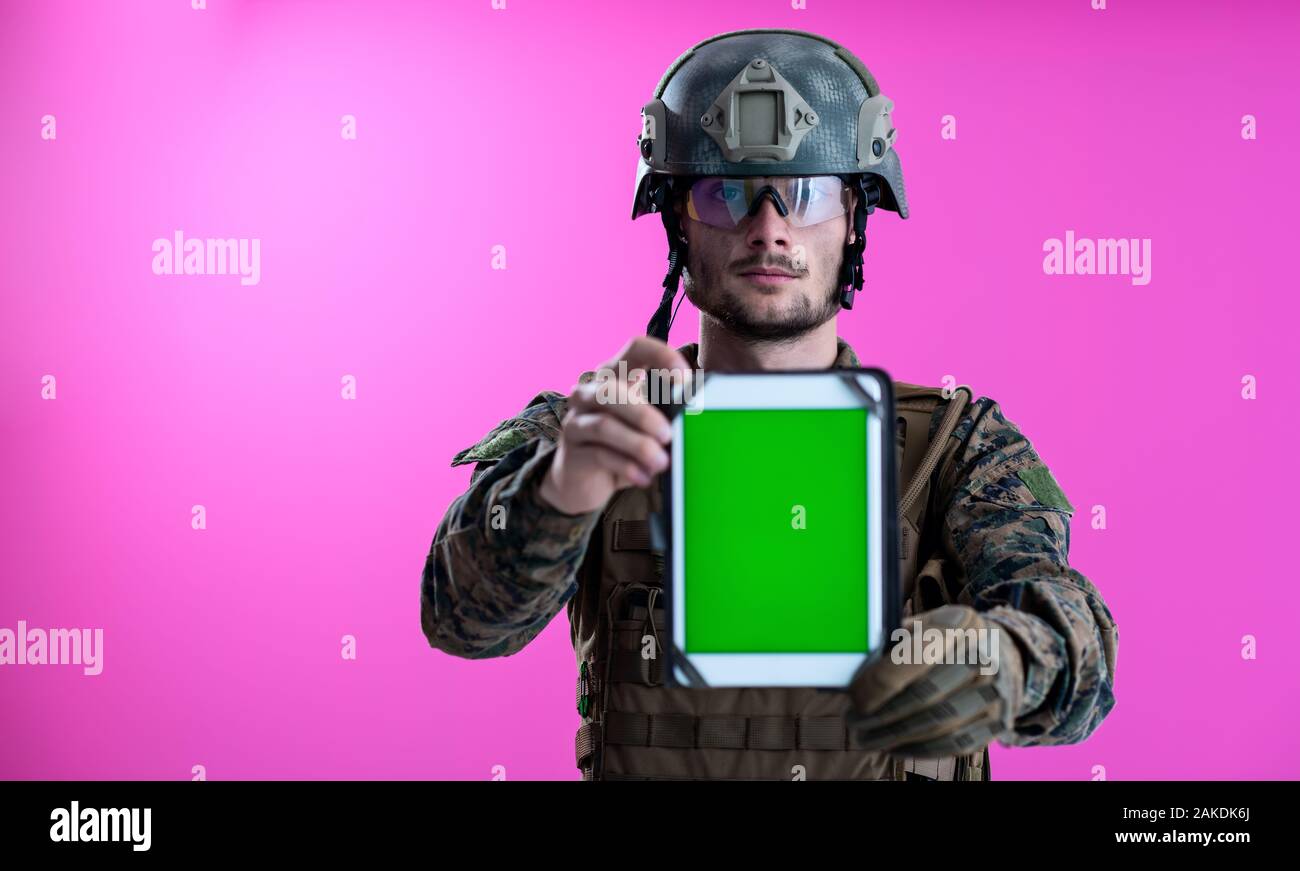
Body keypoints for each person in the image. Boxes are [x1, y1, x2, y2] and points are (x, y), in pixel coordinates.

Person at [420, 28, 1118, 781]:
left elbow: (1078, 649)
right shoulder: (597, 428)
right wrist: (563, 484)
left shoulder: (956, 446)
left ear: (854, 218)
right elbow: (460, 617)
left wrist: (1006, 658)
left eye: (807, 192)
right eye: (726, 193)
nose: (769, 226)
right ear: (677, 220)